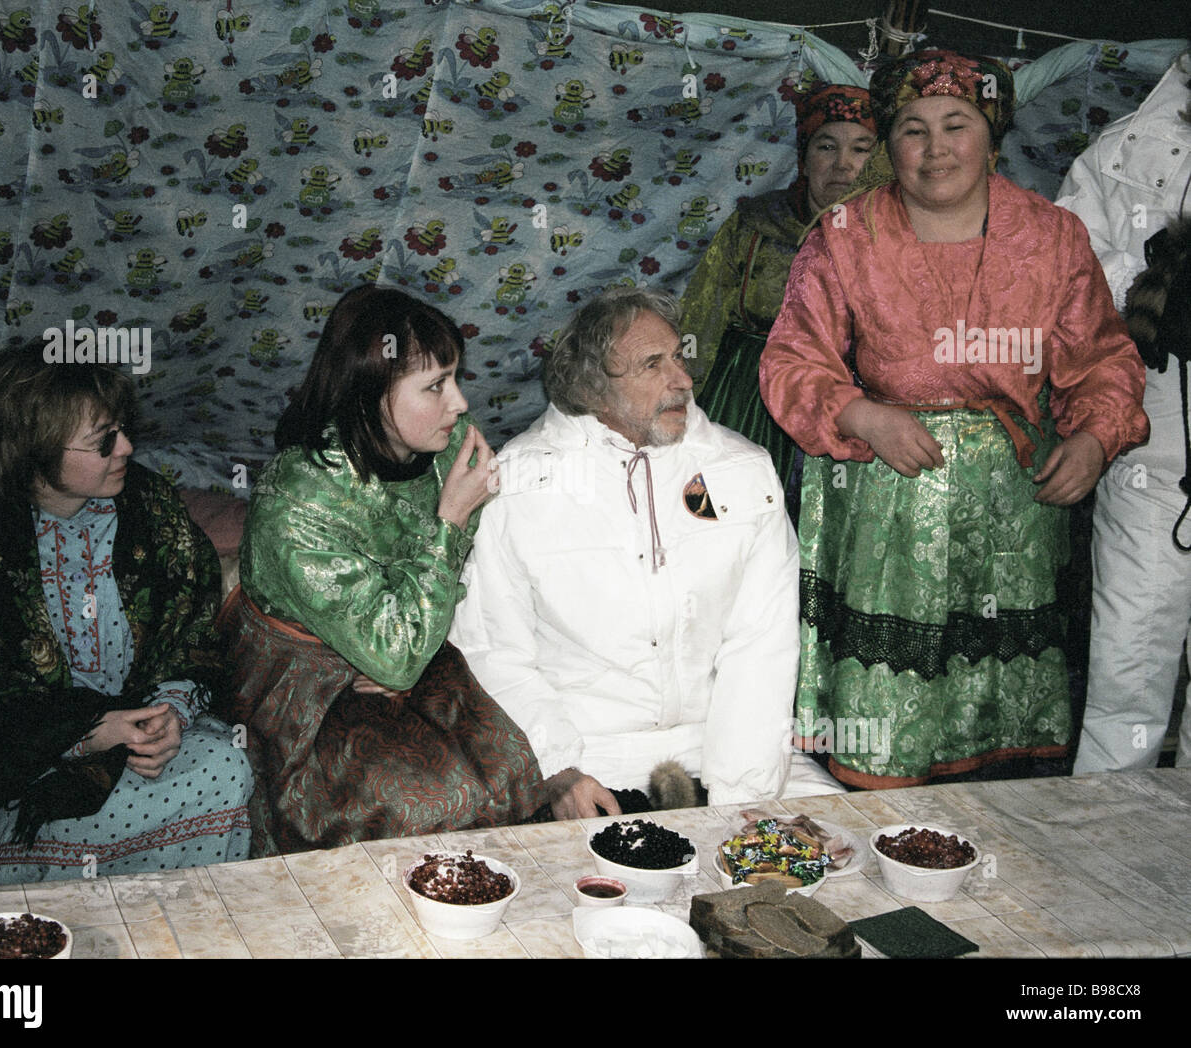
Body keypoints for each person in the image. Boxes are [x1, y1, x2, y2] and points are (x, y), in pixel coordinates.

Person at [759, 49, 1150, 789]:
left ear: (992, 136)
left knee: (995, 728)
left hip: (1014, 511)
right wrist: (862, 414)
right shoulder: (845, 234)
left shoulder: (1053, 238)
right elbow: (791, 360)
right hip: (883, 503)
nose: (935, 149)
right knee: (886, 727)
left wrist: (1096, 438)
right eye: (912, 129)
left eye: (955, 125)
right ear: (891, 144)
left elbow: (1104, 360)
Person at [448, 287, 841, 821]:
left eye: (678, 356)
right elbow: (493, 648)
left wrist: (741, 795)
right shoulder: (516, 483)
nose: (682, 379)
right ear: (591, 387)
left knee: (838, 846)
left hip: (725, 748)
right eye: (651, 364)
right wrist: (556, 771)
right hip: (583, 757)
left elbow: (762, 644)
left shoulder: (741, 470)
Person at [0, 342, 253, 889]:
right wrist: (89, 733)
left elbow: (196, 631)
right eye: (103, 440)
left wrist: (171, 713)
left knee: (225, 766)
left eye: (122, 429)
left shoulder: (151, 510)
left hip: (142, 749)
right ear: (33, 453)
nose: (127, 448)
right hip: (25, 772)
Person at [220, 285, 542, 854]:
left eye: (455, 378)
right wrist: (450, 519)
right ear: (369, 393)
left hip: (407, 649)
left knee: (511, 768)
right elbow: (394, 657)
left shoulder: (439, 455)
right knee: (436, 800)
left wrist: (394, 658)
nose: (460, 402)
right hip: (306, 688)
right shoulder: (297, 500)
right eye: (435, 386)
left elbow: (408, 642)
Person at [1056, 49, 1191, 771]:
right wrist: (1151, 288)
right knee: (1127, 680)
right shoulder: (1128, 150)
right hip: (1151, 461)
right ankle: (1102, 863)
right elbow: (1066, 257)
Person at [679, 84, 877, 503]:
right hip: (748, 394)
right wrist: (682, 396)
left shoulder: (897, 237)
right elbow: (703, 313)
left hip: (851, 402)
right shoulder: (757, 223)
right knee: (730, 513)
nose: (843, 164)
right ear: (805, 157)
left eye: (861, 149)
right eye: (827, 146)